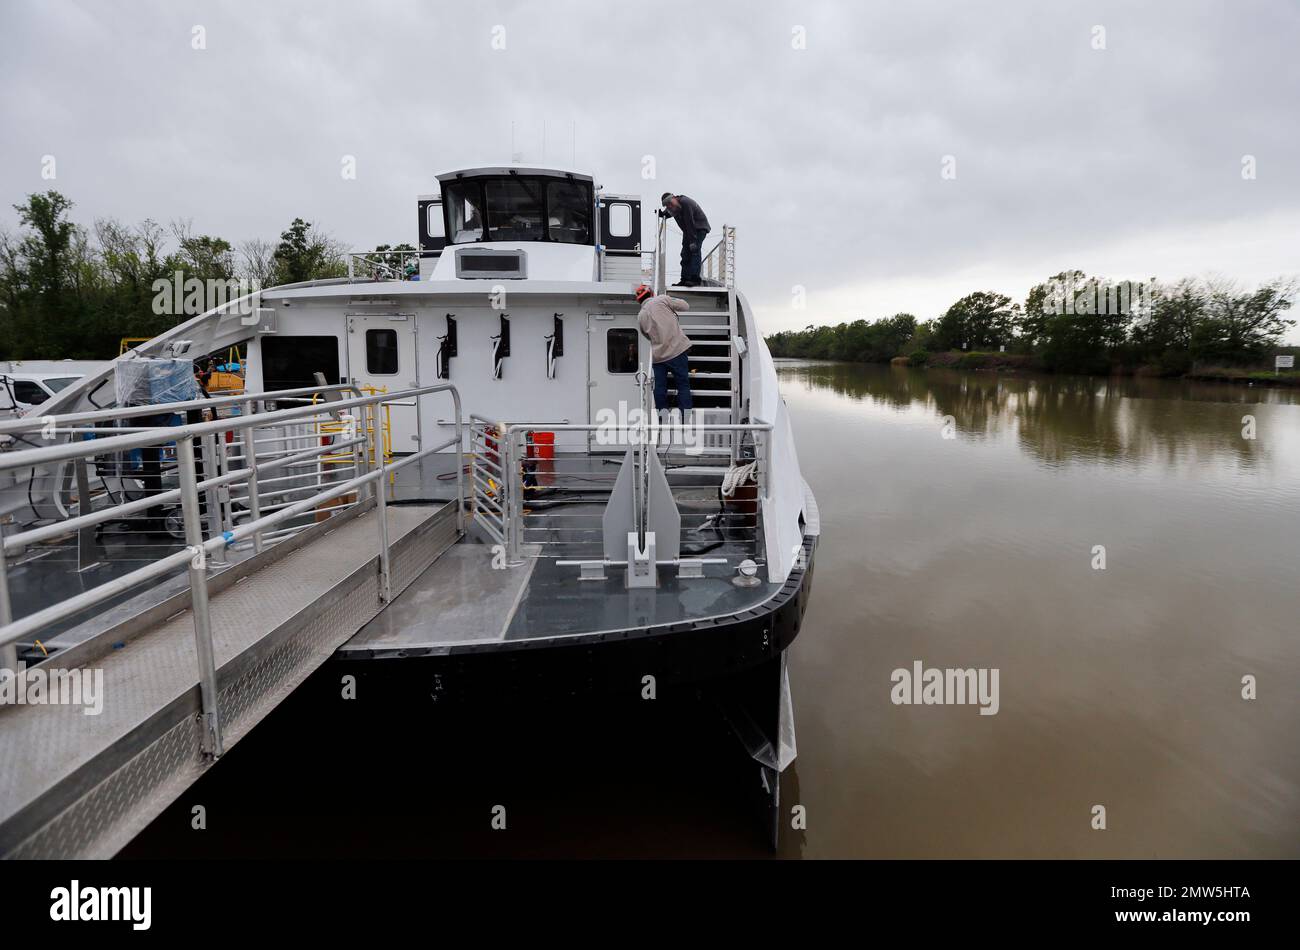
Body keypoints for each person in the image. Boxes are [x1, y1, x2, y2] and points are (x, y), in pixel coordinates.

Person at [634, 283, 693, 416]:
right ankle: (685, 418)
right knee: (683, 385)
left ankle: (663, 419)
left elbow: (646, 335)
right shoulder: (662, 299)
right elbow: (685, 306)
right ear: (651, 293)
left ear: (639, 300)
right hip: (677, 351)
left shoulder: (641, 316)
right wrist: (670, 300)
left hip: (658, 357)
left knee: (660, 388)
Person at [660, 192, 711, 287]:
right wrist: (662, 214)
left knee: (694, 251)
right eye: (667, 205)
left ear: (674, 198)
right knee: (684, 253)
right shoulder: (673, 207)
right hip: (689, 231)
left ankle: (695, 279)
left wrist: (692, 241)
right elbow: (669, 213)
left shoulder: (686, 202)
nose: (670, 206)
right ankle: (684, 279)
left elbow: (690, 222)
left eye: (670, 203)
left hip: (699, 228)